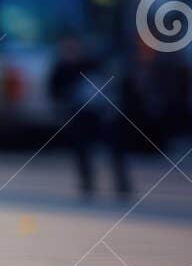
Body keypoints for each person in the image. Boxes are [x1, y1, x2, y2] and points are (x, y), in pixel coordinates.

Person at [48, 37, 131, 199]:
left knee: (114, 149)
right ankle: (87, 184)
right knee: (82, 151)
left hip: (102, 114)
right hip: (79, 115)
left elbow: (114, 84)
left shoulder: (93, 64)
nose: (70, 52)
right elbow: (55, 91)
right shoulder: (61, 69)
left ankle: (122, 184)